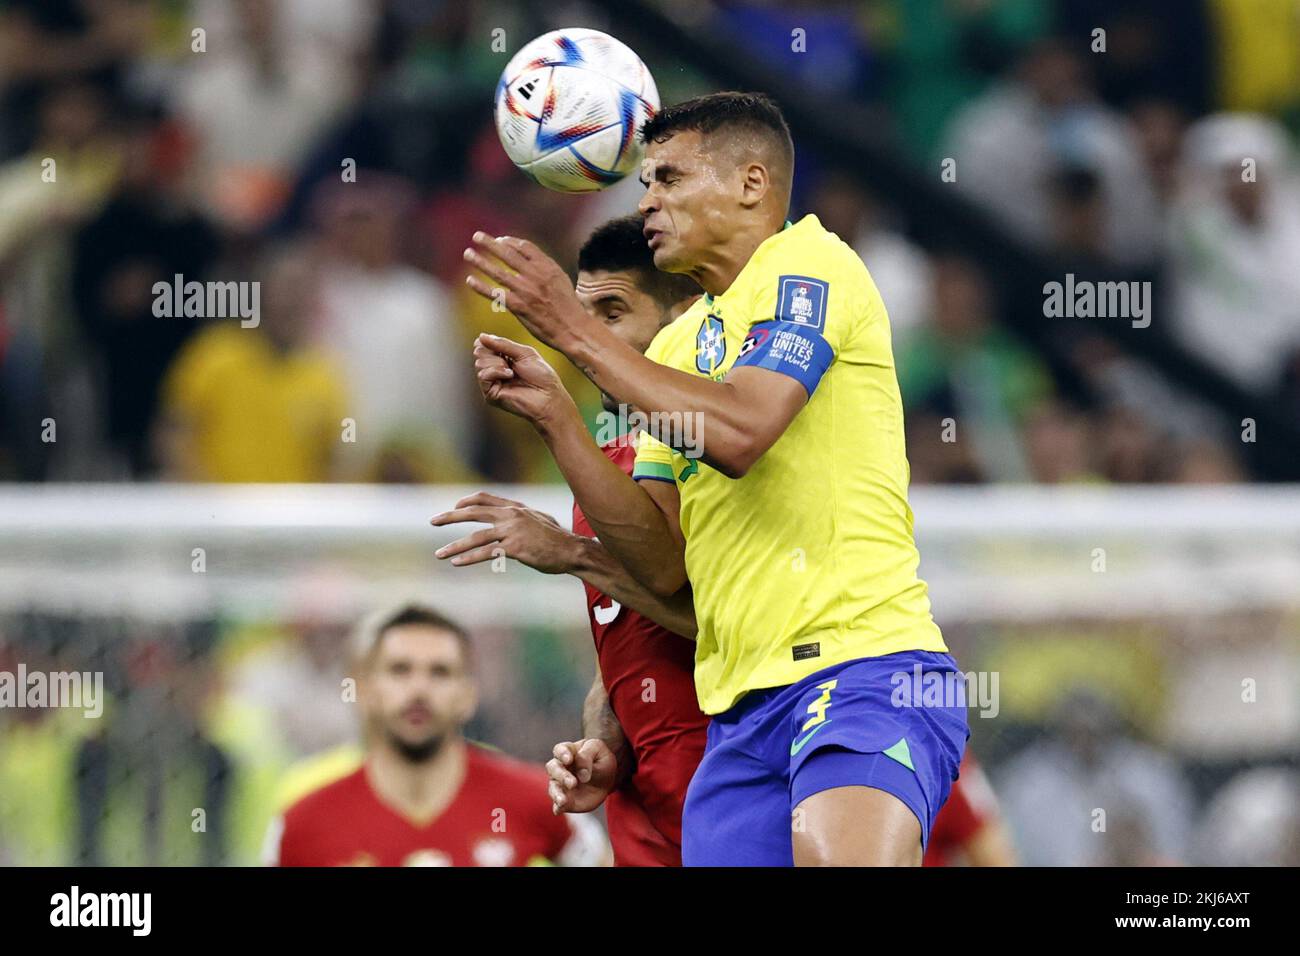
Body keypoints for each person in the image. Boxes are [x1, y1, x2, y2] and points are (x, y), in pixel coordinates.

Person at [460, 91, 967, 866]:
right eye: (645, 184)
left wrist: (571, 329)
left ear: (751, 184)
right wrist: (561, 419)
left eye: (667, 178)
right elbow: (663, 567)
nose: (649, 200)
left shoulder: (812, 265)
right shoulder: (672, 351)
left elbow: (741, 432)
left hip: (865, 672)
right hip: (739, 715)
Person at [433, 216, 706, 866]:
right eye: (579, 317)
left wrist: (574, 555)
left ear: (687, 314)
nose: (584, 340)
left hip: (734, 795)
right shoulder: (605, 462)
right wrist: (603, 749)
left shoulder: (713, 454)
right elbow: (621, 652)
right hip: (642, 818)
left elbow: (736, 627)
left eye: (611, 312)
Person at [265, 603, 608, 866]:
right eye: (400, 670)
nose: (419, 689)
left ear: (469, 694)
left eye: (440, 672)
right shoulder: (304, 823)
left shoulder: (537, 799)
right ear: (365, 689)